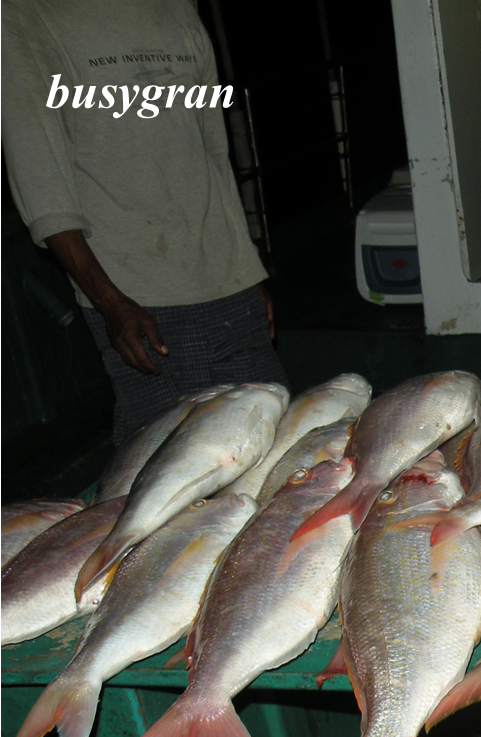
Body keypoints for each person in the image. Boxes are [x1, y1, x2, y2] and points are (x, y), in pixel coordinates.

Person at [2, 0, 284, 444]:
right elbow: (43, 190)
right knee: (172, 460)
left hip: (229, 285)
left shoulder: (178, 8)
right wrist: (111, 303)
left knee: (268, 438)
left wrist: (248, 272)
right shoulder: (27, 16)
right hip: (139, 294)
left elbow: (213, 153)